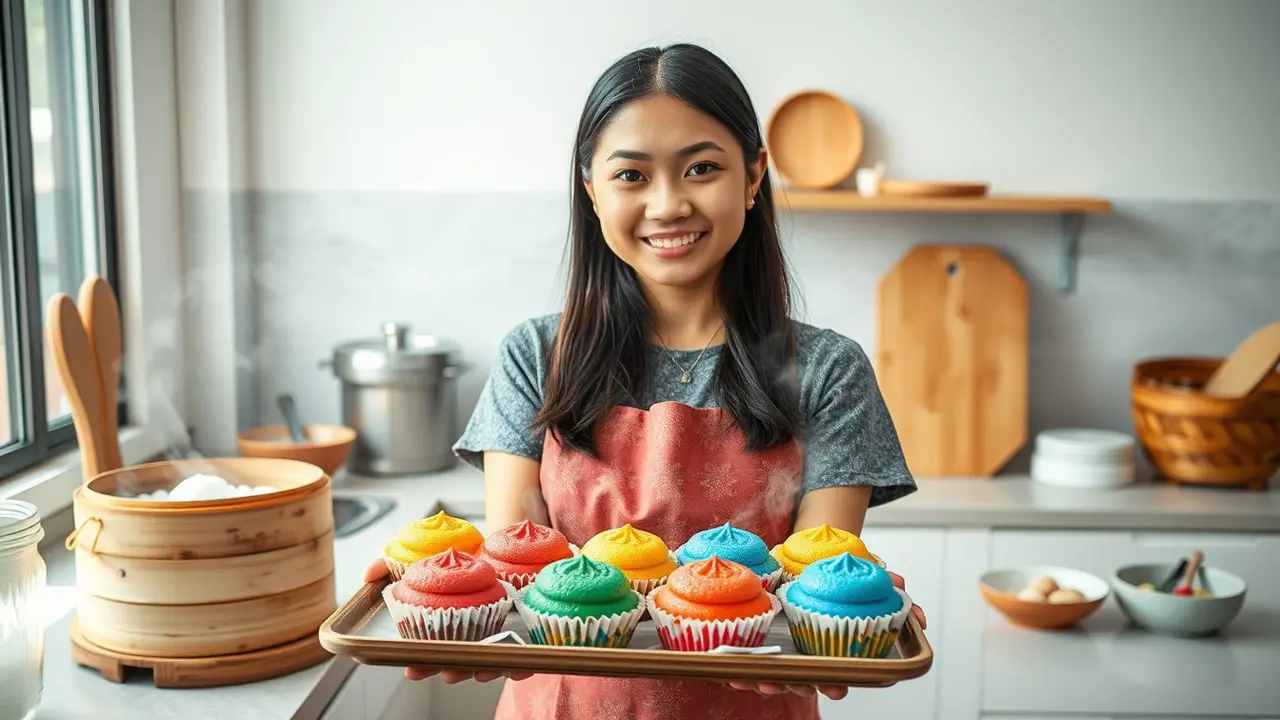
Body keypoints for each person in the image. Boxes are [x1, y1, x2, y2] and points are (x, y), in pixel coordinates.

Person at [363, 41, 924, 720]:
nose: (668, 205)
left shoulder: (830, 372)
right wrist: (447, 612)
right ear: (591, 190)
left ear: (752, 178)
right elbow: (520, 567)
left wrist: (828, 645)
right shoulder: (534, 356)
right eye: (632, 175)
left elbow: (818, 582)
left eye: (701, 168)